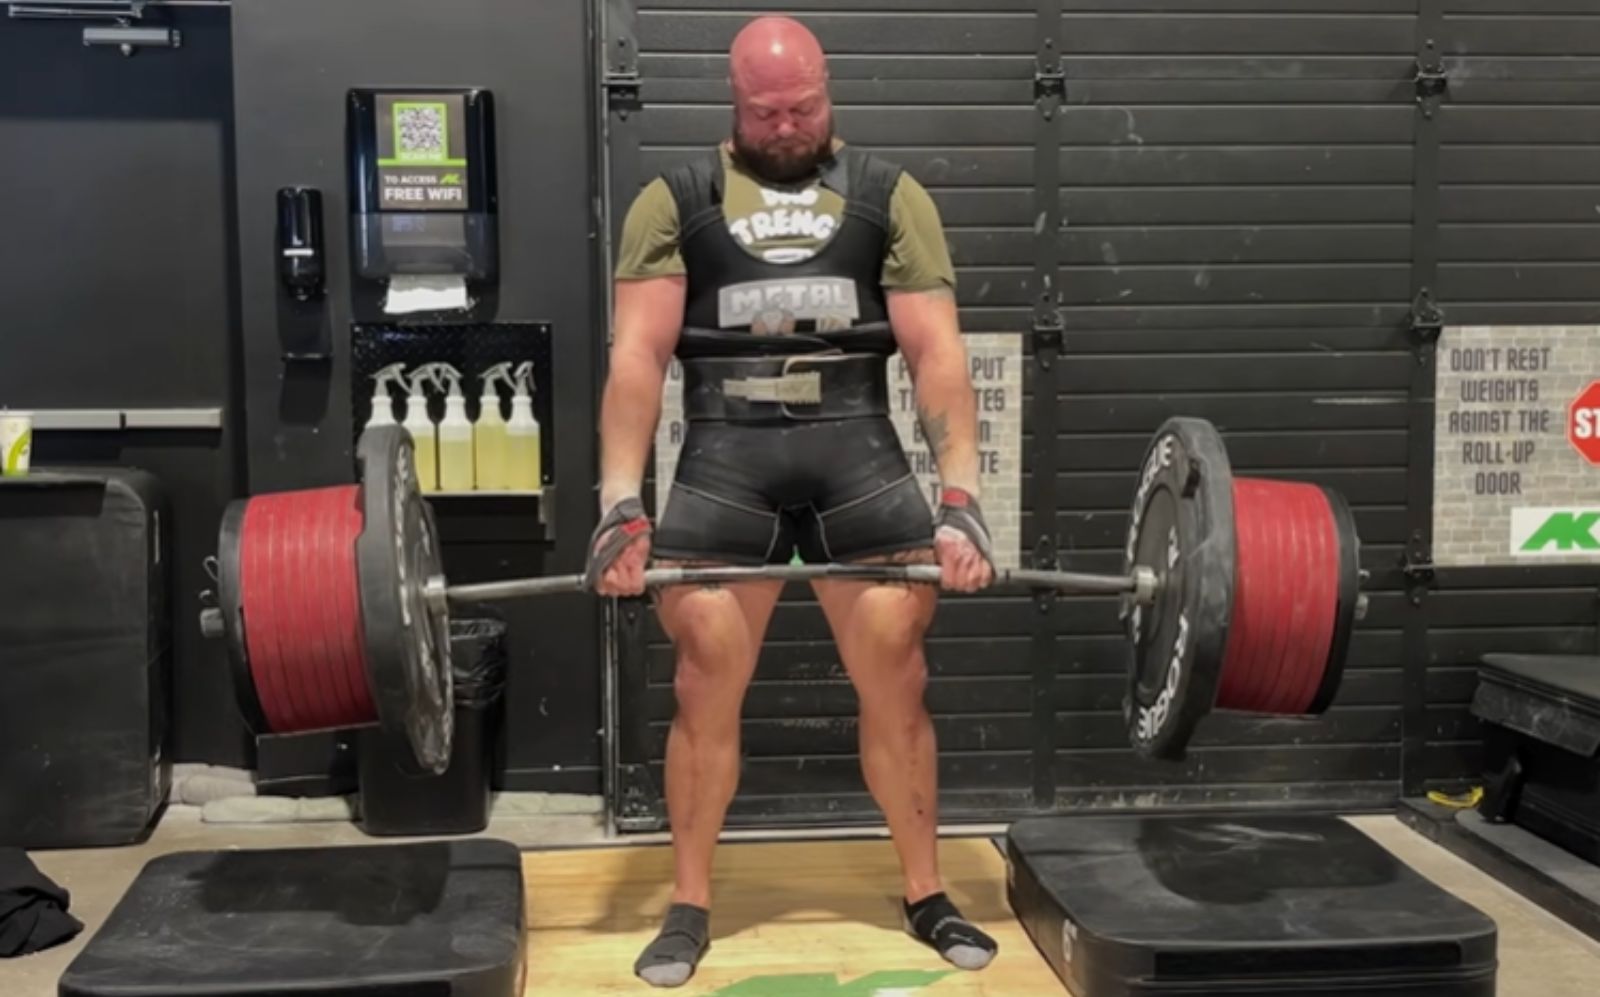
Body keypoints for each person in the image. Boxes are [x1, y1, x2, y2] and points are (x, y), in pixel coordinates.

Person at [586, 14, 999, 988]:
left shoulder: (890, 198)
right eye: (766, 111)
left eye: (803, 107)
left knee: (895, 671)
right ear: (735, 102)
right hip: (725, 460)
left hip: (859, 456)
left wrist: (962, 497)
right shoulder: (673, 201)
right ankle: (688, 905)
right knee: (704, 675)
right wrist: (617, 501)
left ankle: (927, 890)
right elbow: (637, 358)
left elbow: (937, 354)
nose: (786, 126)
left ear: (828, 92)